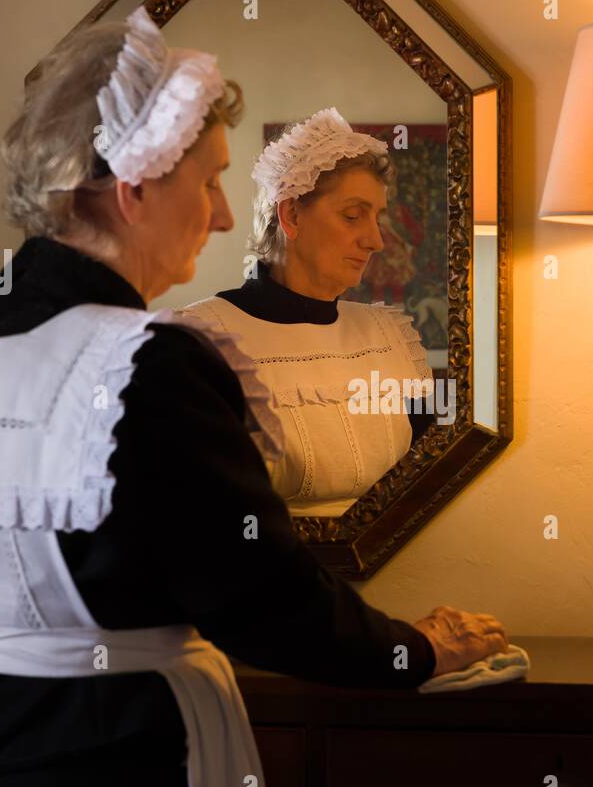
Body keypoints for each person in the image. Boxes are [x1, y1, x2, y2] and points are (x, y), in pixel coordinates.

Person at [0, 6, 506, 787]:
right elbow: (262, 600)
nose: (227, 217)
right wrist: (415, 650)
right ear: (133, 191)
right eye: (209, 182)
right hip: (109, 783)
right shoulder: (147, 366)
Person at [180, 108, 434, 516]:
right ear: (292, 215)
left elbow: (432, 482)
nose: (375, 240)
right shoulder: (203, 339)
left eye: (377, 217)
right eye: (353, 216)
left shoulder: (392, 338)